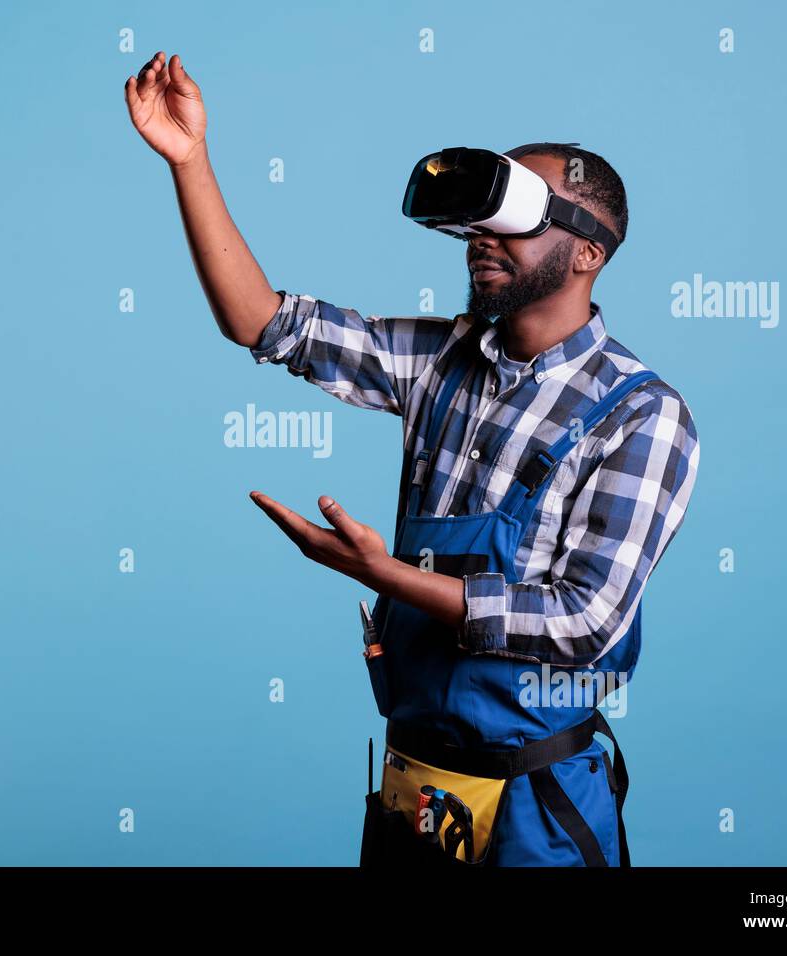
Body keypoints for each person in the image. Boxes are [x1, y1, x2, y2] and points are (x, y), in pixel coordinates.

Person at [125, 51, 700, 866]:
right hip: (415, 798)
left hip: (536, 812)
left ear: (587, 253)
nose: (479, 240)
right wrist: (190, 161)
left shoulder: (643, 414)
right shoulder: (438, 361)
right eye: (477, 221)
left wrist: (387, 577)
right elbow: (261, 321)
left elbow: (585, 622)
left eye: (516, 220)